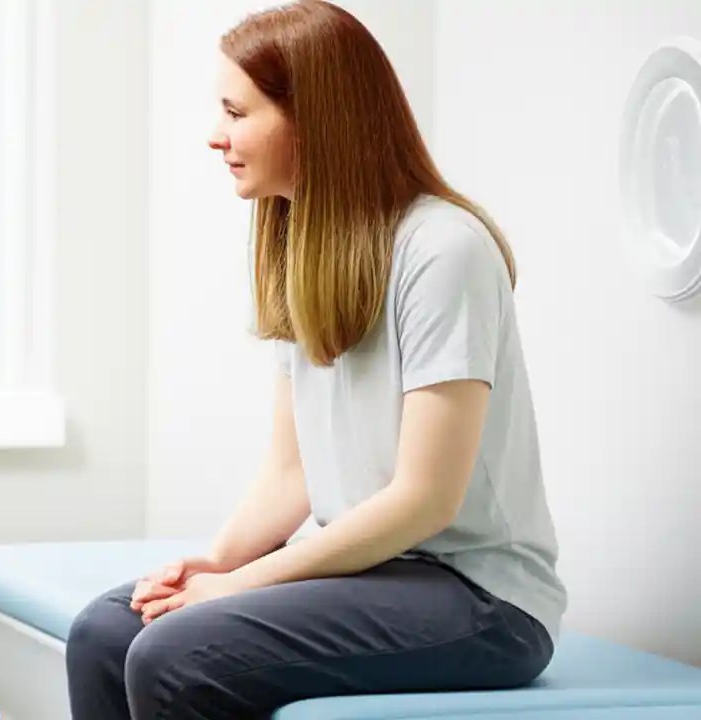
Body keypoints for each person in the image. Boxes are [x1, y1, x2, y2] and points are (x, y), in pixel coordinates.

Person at [64, 2, 567, 717]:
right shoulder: (307, 249)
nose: (216, 136)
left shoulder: (442, 250)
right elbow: (290, 473)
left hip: (481, 601)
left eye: (237, 112)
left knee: (177, 656)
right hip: (376, 576)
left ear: (312, 117)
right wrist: (218, 561)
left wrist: (241, 587)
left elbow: (425, 499)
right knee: (105, 632)